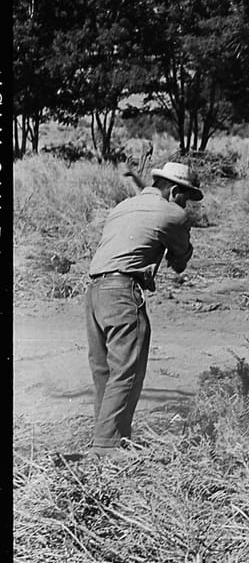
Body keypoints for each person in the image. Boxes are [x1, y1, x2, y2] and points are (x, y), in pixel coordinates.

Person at [83, 160, 202, 454]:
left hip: (94, 293)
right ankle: (108, 452)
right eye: (185, 196)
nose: (187, 203)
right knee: (127, 373)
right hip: (123, 294)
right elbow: (179, 262)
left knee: (106, 374)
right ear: (175, 191)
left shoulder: (123, 206)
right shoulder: (174, 214)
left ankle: (107, 442)